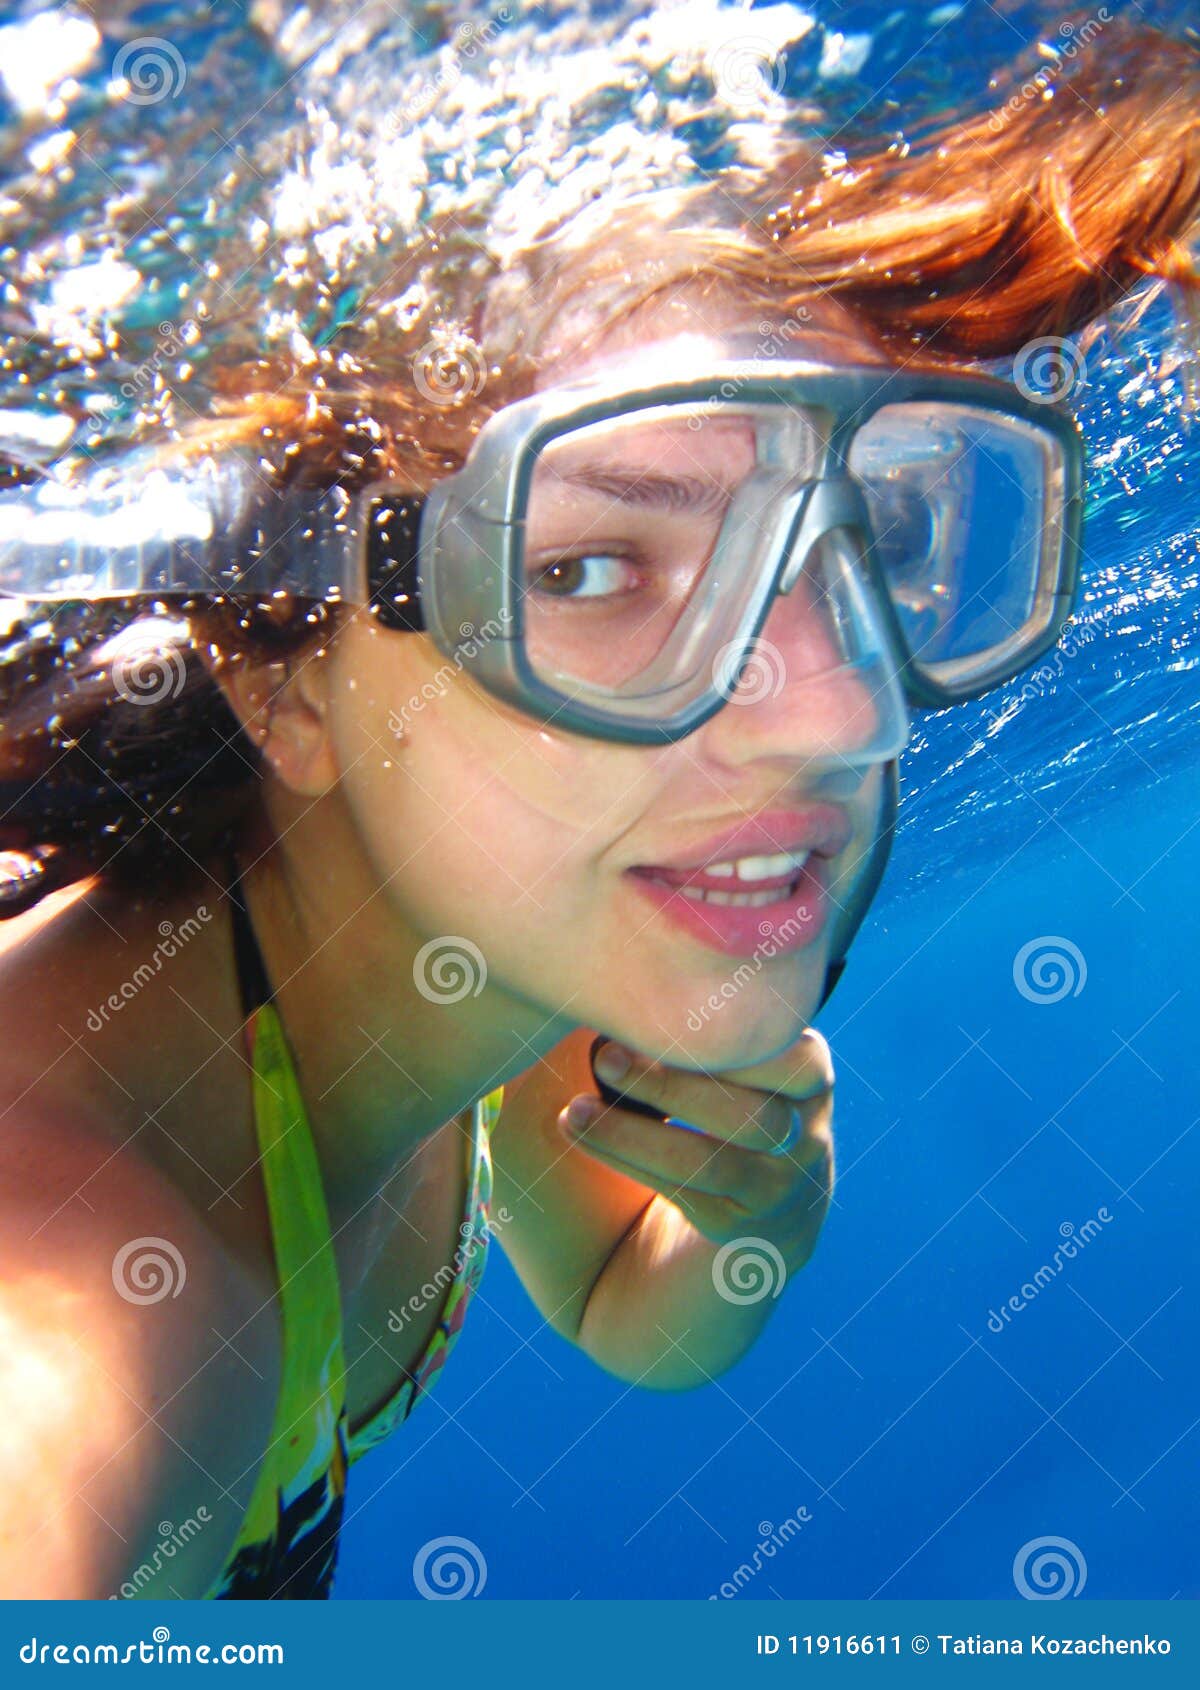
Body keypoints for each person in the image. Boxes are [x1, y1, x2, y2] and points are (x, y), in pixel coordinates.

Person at [0, 17, 1196, 1600]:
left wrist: (752, 1219)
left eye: (884, 531)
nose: (845, 709)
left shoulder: (480, 976)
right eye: (584, 569)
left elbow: (637, 1301)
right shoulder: (88, 1307)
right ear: (283, 681)